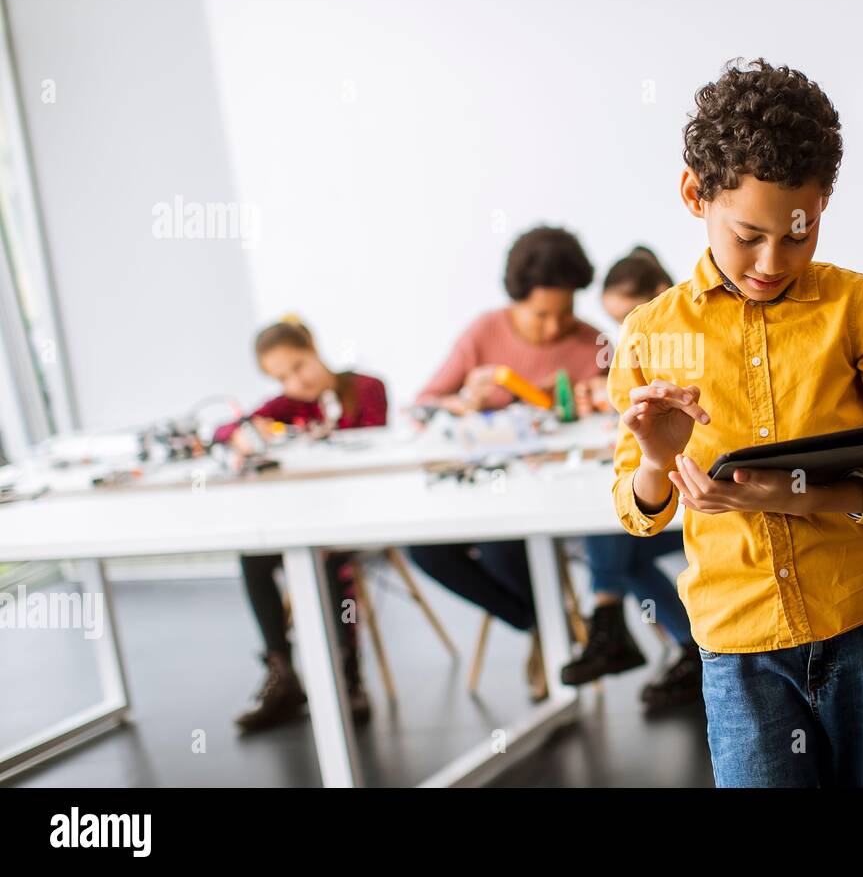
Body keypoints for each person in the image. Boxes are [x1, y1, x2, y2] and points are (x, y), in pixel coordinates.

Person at [607, 58, 863, 786]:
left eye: (798, 234)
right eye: (749, 235)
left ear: (824, 205)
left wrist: (801, 494)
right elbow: (637, 514)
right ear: (693, 194)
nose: (774, 260)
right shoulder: (649, 334)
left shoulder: (859, 308)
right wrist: (653, 463)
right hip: (740, 651)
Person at [408, 226, 606, 701]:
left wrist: (600, 400)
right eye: (541, 314)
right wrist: (462, 401)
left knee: (501, 547)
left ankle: (548, 628)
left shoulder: (593, 343)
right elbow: (422, 406)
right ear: (516, 297)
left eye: (566, 311)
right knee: (426, 550)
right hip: (488, 485)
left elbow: (619, 413)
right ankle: (543, 622)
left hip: (561, 490)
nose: (556, 328)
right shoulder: (484, 333)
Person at [213, 316, 387, 732]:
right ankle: (282, 674)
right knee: (254, 557)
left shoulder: (366, 389)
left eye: (299, 366)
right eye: (281, 377)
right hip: (310, 518)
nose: (295, 382)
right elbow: (224, 431)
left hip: (359, 516)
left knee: (330, 560)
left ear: (312, 346)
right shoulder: (285, 406)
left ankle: (349, 676)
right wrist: (241, 432)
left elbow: (377, 444)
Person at [560, 247, 701, 713]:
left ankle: (608, 622)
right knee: (621, 546)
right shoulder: (639, 348)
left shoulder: (691, 338)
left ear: (658, 295)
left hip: (699, 495)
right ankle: (687, 646)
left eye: (628, 315)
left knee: (611, 538)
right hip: (663, 497)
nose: (625, 329)